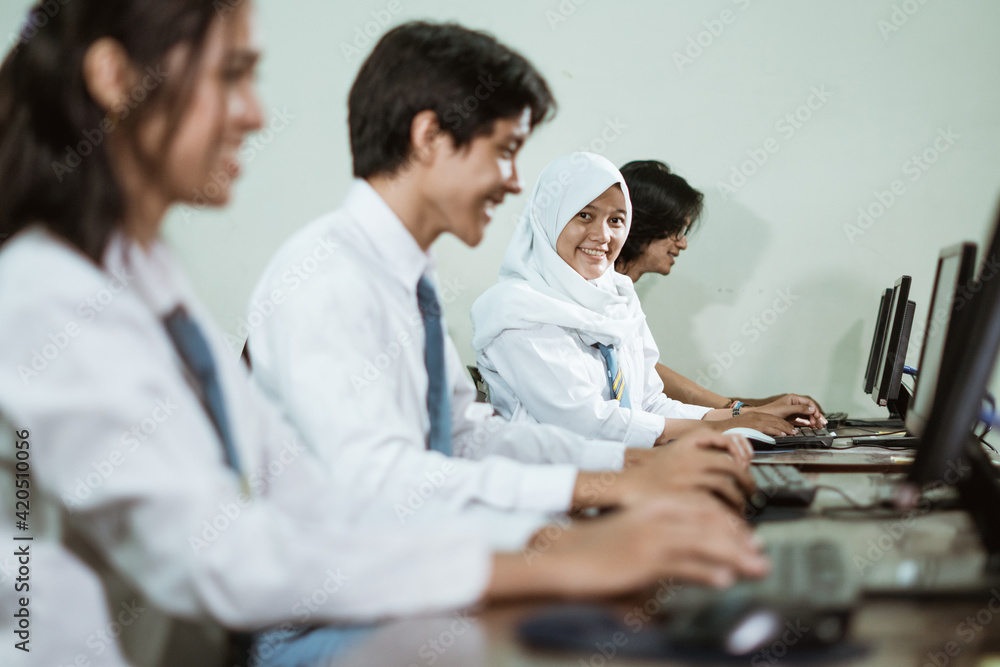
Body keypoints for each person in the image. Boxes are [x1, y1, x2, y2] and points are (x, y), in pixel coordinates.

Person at [0, 6, 766, 667]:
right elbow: (235, 552)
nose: (255, 112)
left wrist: (613, 489)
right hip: (299, 626)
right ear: (112, 76)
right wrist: (567, 541)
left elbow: (346, 476)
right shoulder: (56, 298)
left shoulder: (148, 280)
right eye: (231, 75)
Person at [246, 22, 758, 547]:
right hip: (349, 606)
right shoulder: (331, 279)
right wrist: (577, 533)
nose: (515, 181)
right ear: (428, 139)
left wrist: (626, 465)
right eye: (505, 150)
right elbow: (382, 493)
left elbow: (468, 438)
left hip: (415, 568)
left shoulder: (404, 274)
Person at [471, 152, 819, 452]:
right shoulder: (515, 310)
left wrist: (743, 418)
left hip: (621, 476)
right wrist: (721, 425)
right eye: (585, 215)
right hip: (551, 497)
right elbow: (586, 423)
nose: (603, 235)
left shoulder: (617, 301)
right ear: (549, 218)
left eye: (616, 220)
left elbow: (649, 403)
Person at [615, 160, 825, 418]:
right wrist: (740, 409)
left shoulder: (623, 295)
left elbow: (647, 375)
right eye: (677, 230)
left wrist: (742, 408)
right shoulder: (598, 294)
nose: (682, 244)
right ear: (644, 221)